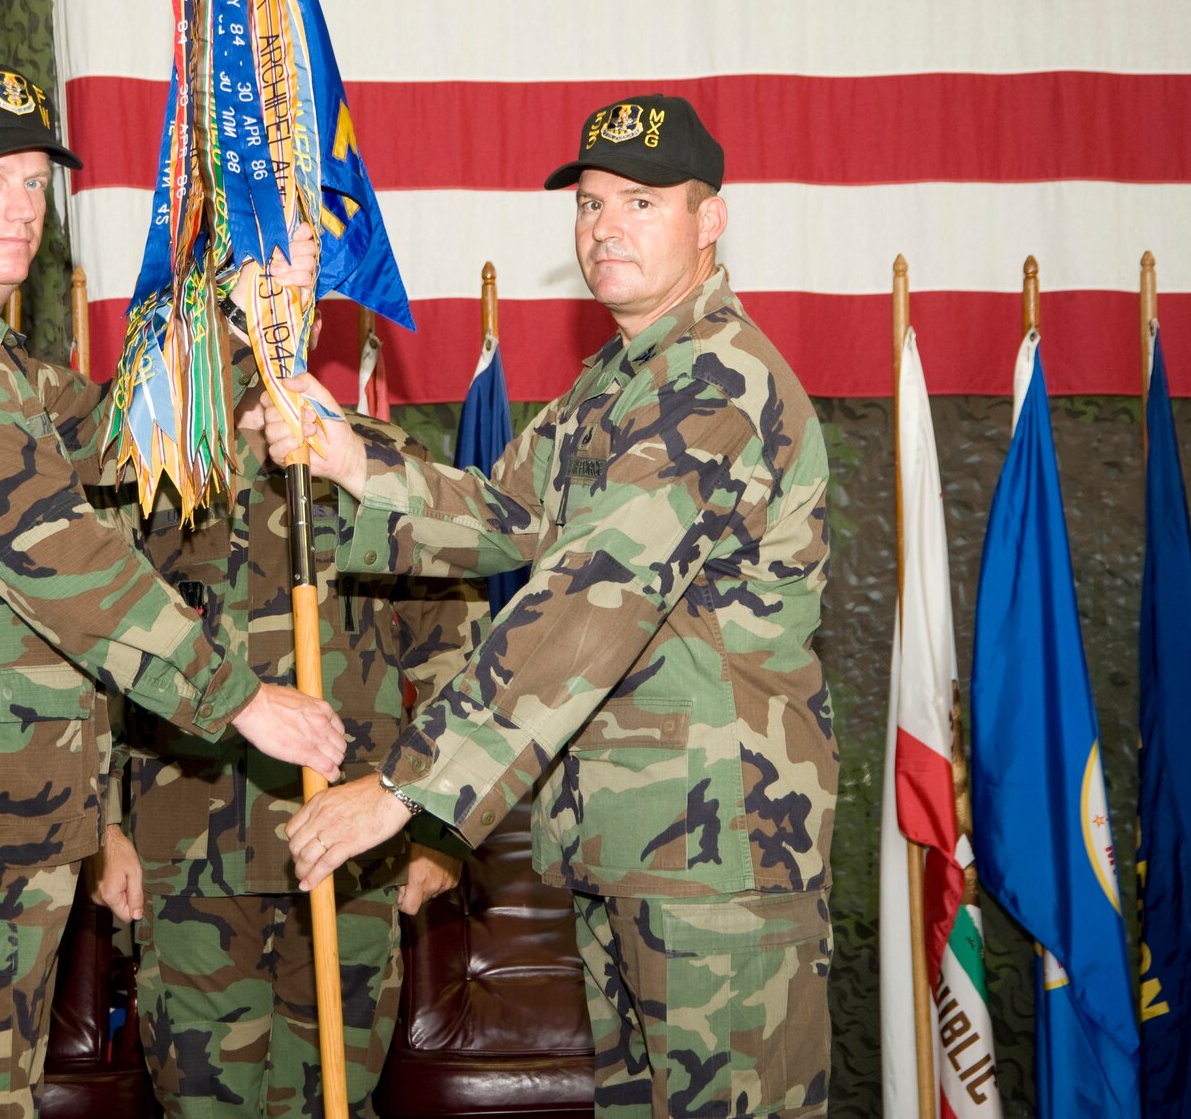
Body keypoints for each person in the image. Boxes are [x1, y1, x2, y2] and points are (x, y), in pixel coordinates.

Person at [262, 95, 836, 1118]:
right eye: (588, 202)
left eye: (640, 202)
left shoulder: (716, 383)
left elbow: (586, 595)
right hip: (628, 852)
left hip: (719, 870)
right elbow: (506, 515)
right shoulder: (615, 383)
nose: (603, 226)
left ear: (710, 219)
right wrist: (353, 461)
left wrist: (402, 788)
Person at [0, 63, 346, 1119]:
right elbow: (62, 558)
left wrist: (246, 321)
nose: (21, 207)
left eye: (31, 181)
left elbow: (118, 424)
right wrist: (239, 698)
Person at [83, 351, 483, 1118]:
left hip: (352, 850)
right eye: (255, 261)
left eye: (297, 265)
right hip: (189, 853)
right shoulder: (155, 453)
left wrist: (443, 831)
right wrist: (102, 825)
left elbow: (454, 649)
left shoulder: (376, 461)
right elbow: (96, 644)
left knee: (336, 1100)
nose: (275, 286)